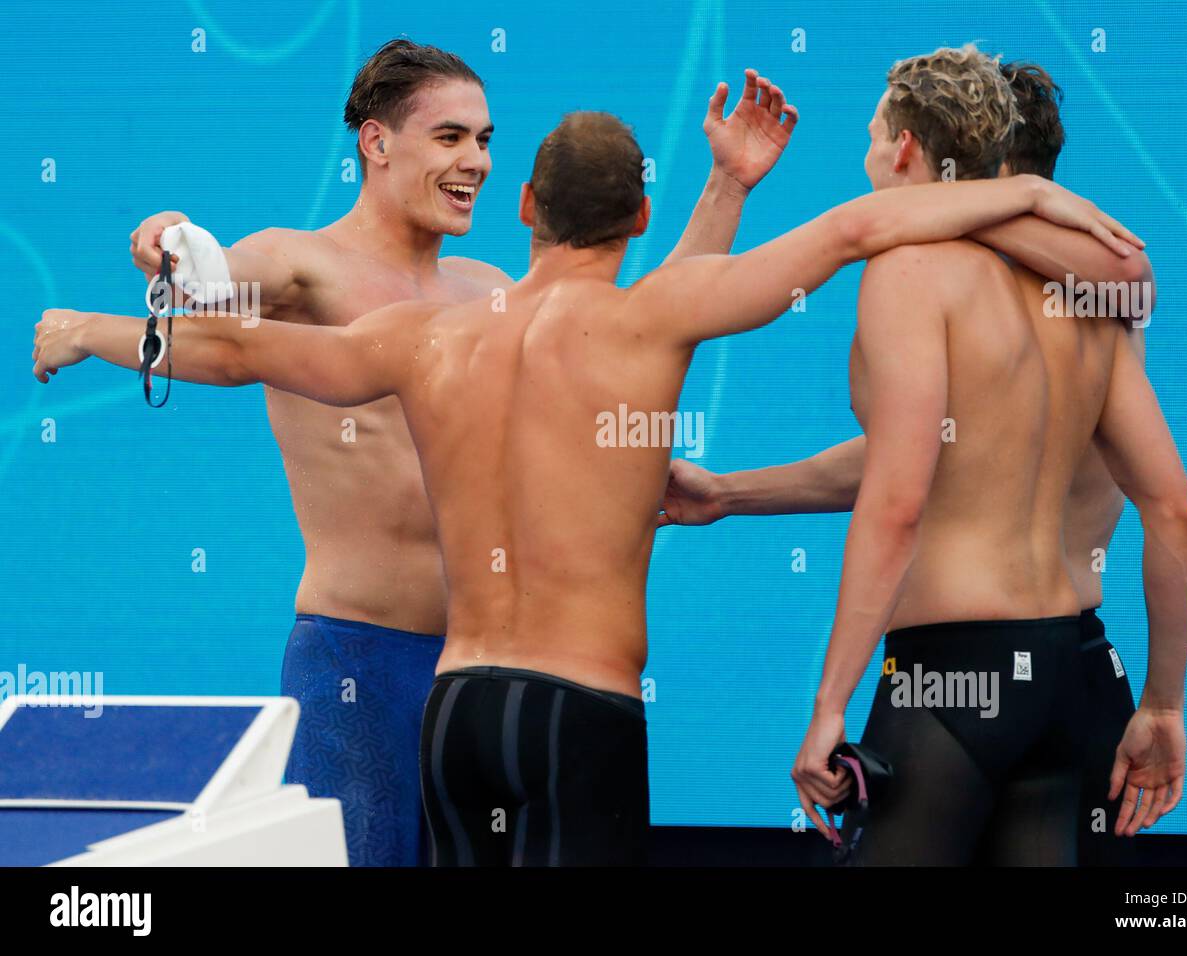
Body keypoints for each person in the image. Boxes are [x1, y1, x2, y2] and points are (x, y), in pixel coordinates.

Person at [35, 103, 1138, 864]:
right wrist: (1020, 191)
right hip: (579, 714)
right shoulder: (649, 320)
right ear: (641, 221)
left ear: (524, 207)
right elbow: (856, 228)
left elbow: (235, 350)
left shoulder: (430, 338)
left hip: (456, 708)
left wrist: (87, 328)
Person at [31, 39, 806, 867]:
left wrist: (726, 187)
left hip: (476, 680)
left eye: (484, 140)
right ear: (376, 143)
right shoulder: (303, 267)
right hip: (357, 663)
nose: (474, 159)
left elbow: (647, 325)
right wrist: (170, 248)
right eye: (450, 138)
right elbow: (221, 302)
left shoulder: (486, 290)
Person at [661, 61, 1162, 865]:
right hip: (1074, 667)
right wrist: (729, 491)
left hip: (951, 675)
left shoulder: (911, 271)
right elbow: (953, 450)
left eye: (869, 140)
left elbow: (898, 497)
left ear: (903, 151)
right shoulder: (1097, 301)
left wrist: (830, 705)